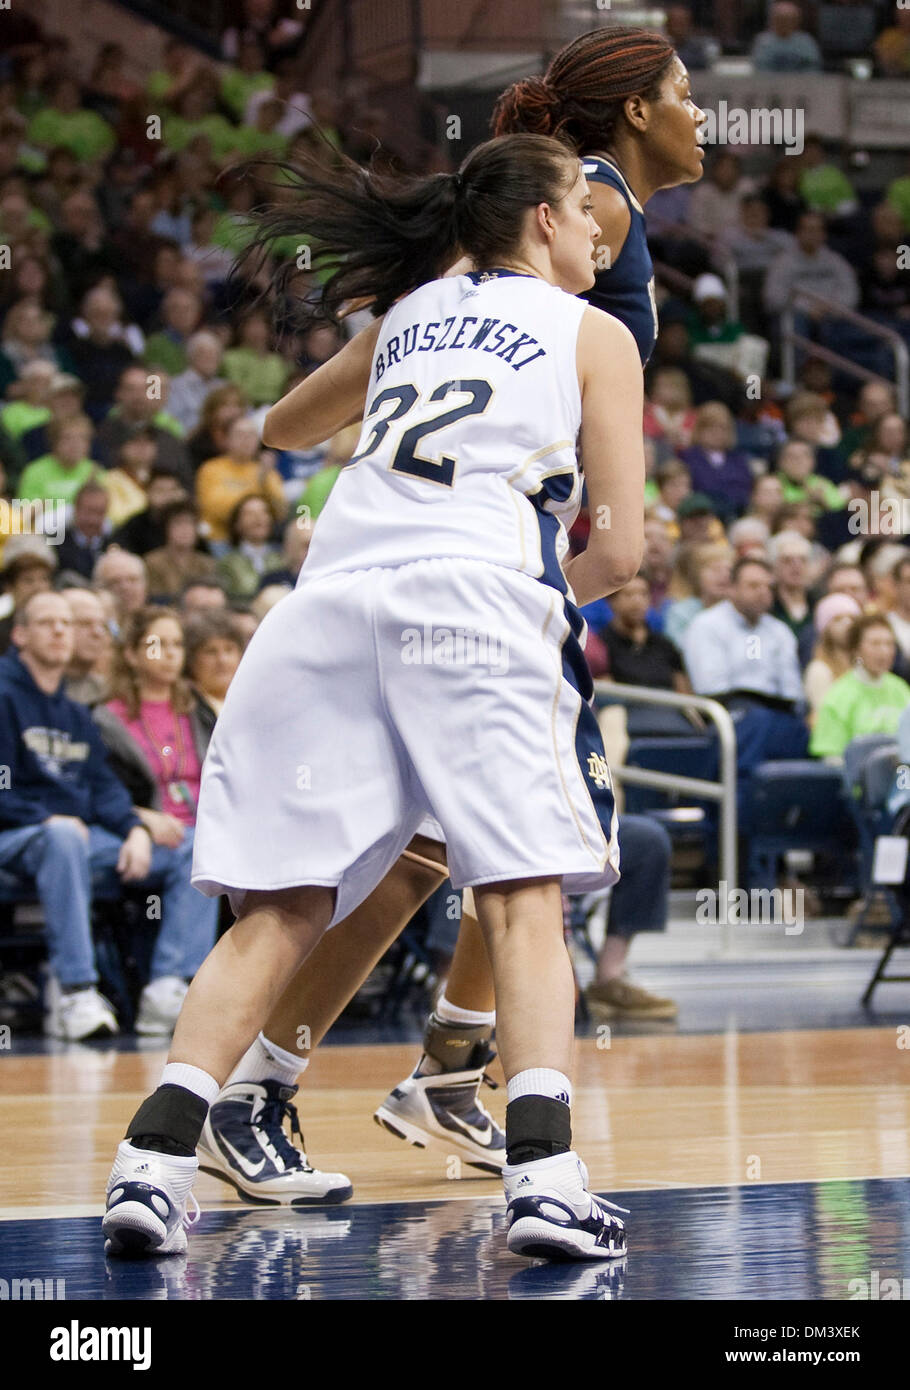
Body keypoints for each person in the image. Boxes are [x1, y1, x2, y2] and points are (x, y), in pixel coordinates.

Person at [186, 26, 708, 1214]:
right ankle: (313, 1078)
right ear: (629, 113)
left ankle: (424, 1065)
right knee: (502, 846)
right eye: (683, 93)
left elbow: (301, 415)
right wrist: (510, 591)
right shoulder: (599, 209)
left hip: (452, 558)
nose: (702, 114)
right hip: (480, 570)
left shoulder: (578, 208)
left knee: (442, 847)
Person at [101, 131, 645, 1265]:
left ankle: (151, 1168)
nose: (602, 225)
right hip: (475, 598)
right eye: (582, 206)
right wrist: (534, 597)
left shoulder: (404, 314)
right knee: (519, 892)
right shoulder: (595, 332)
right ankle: (544, 1177)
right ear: (542, 219)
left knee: (285, 906)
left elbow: (277, 428)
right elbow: (625, 551)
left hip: (327, 605)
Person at [92, 606, 219, 1034]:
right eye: (156, 644)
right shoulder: (106, 719)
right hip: (149, 837)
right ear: (130, 654)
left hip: (208, 827)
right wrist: (142, 819)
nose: (169, 654)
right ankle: (169, 986)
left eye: (177, 645)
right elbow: (98, 789)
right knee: (198, 851)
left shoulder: (198, 711)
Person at [810, 615, 910, 759]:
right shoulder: (838, 695)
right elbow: (830, 756)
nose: (884, 651)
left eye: (889, 644)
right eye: (875, 644)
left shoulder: (901, 689)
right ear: (856, 649)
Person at [803, 592, 861, 723]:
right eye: (838, 619)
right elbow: (824, 715)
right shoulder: (819, 669)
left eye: (852, 618)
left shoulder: (862, 664)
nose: (847, 623)